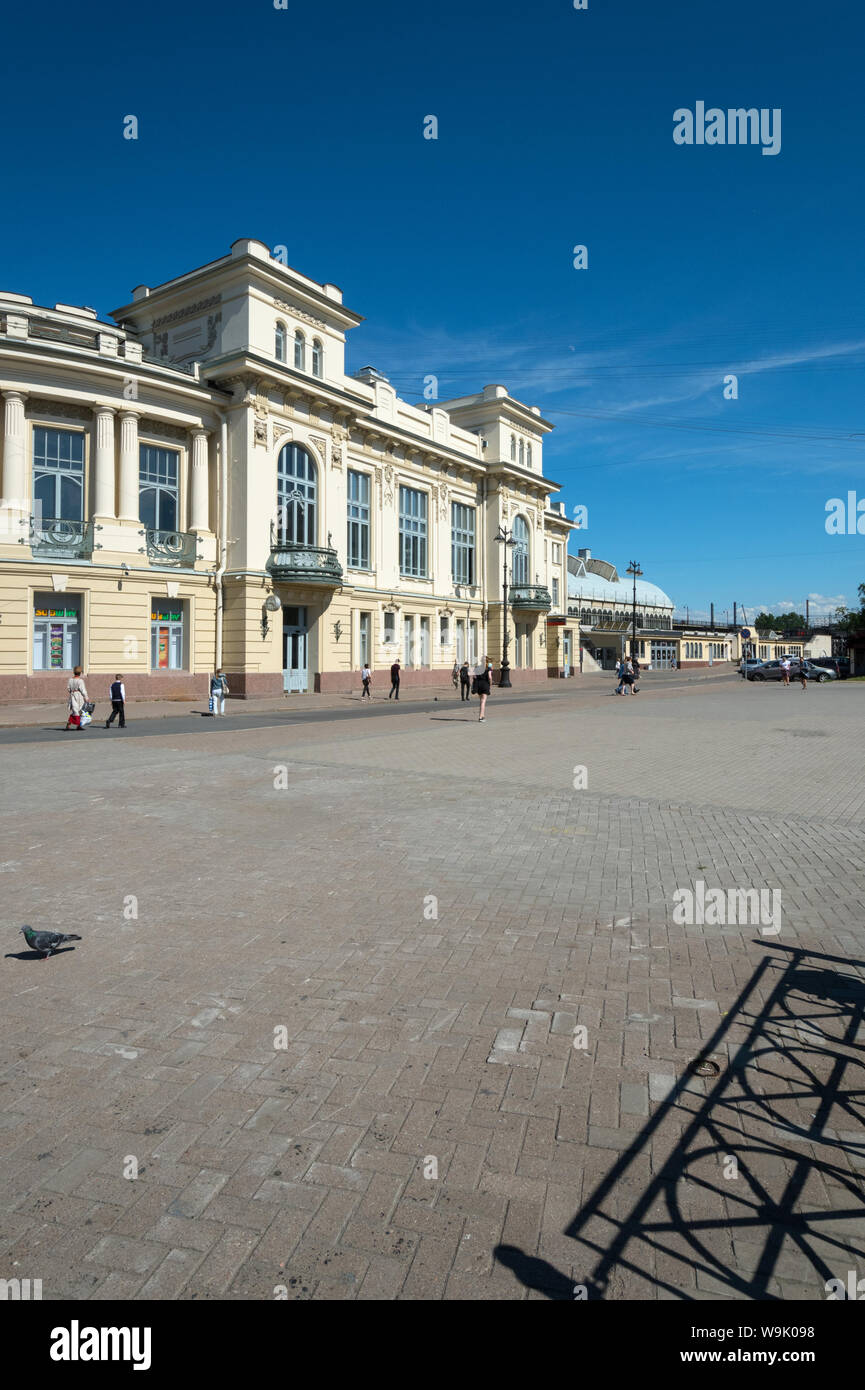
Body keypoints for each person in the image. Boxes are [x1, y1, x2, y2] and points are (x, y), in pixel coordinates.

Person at [474, 657, 491, 721]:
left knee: (481, 701)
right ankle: (480, 717)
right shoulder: (488, 668)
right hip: (485, 685)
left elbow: (474, 676)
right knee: (483, 701)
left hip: (479, 685)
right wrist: (491, 683)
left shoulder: (478, 668)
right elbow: (489, 677)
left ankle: (482, 715)